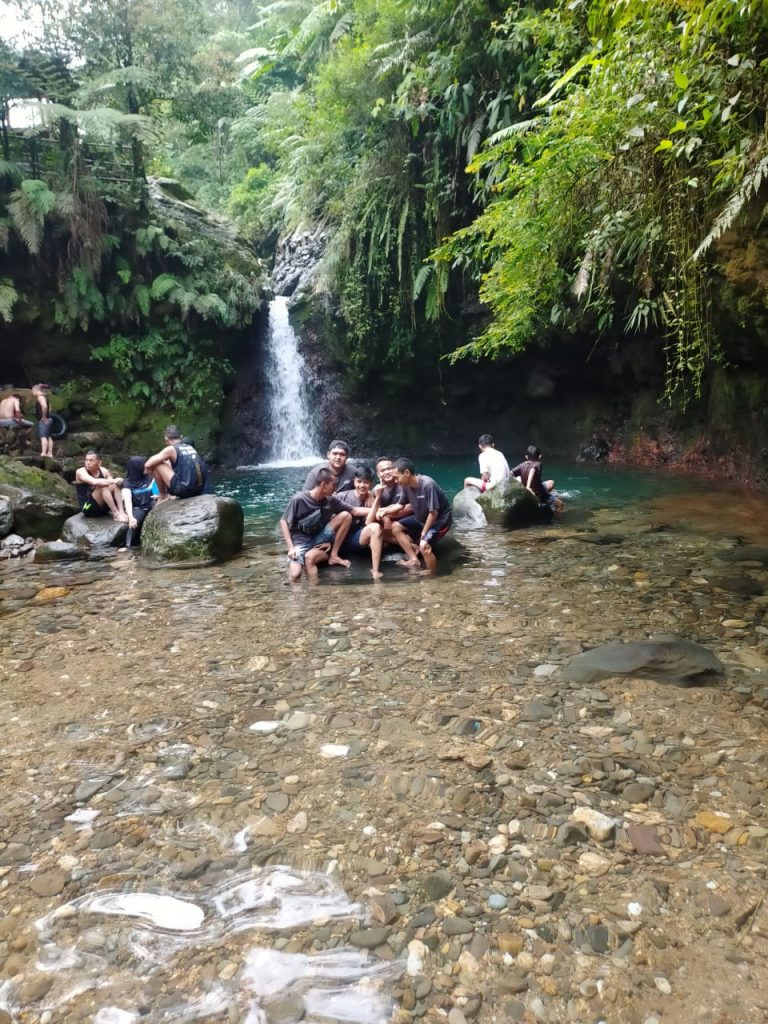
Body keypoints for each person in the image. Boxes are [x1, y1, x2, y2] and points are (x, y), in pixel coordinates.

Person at [280, 467, 357, 581]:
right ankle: (300, 596)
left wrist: (383, 509)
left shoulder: (331, 500)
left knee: (346, 515)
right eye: (333, 485)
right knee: (295, 575)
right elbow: (283, 521)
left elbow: (354, 510)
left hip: (320, 538)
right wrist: (291, 548)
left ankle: (334, 555)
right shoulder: (299, 499)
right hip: (300, 543)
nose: (335, 489)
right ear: (323, 484)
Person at [392, 457, 452, 572]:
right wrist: (383, 512)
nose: (395, 481)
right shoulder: (406, 486)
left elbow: (434, 513)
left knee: (424, 545)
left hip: (439, 521)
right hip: (422, 519)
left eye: (396, 477)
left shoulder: (427, 484)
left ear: (406, 473)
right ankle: (414, 559)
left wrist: (423, 533)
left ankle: (431, 576)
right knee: (395, 527)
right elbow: (400, 505)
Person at [336, 465, 385, 579]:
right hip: (339, 541)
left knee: (375, 527)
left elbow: (369, 523)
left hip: (356, 539)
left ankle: (375, 571)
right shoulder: (342, 496)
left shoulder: (372, 498)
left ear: (371, 484)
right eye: (359, 482)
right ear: (354, 481)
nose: (362, 485)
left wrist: (376, 499)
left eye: (366, 482)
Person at [373, 456, 420, 567]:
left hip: (410, 525)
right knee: (374, 527)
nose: (387, 472)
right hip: (392, 526)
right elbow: (375, 511)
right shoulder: (377, 490)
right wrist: (385, 518)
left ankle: (411, 546)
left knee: (394, 525)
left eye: (389, 468)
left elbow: (411, 507)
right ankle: (410, 546)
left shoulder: (403, 482)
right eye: (383, 470)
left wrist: (388, 515)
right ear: (378, 474)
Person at [145, 426, 207, 500]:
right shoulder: (190, 447)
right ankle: (168, 493)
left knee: (157, 464)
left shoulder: (172, 449)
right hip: (199, 490)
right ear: (181, 437)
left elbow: (148, 464)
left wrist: (148, 471)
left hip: (185, 491)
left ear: (166, 439)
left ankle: (162, 495)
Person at [75, 451, 127, 521]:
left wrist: (118, 481)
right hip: (88, 508)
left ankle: (121, 512)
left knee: (115, 485)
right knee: (103, 486)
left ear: (99, 462)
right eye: (86, 460)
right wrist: (114, 480)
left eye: (91, 460)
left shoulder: (104, 471)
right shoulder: (80, 472)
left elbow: (113, 485)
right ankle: (116, 514)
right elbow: (94, 482)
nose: (88, 463)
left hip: (104, 508)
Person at [121, 456, 159, 546]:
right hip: (138, 508)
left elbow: (158, 490)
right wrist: (131, 518)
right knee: (133, 524)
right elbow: (128, 501)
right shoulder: (127, 483)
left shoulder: (151, 477)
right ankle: (128, 547)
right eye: (144, 465)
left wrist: (158, 496)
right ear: (137, 468)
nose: (147, 467)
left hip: (152, 503)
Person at [511, 445, 563, 511]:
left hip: (535, 488)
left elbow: (510, 473)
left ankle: (552, 496)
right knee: (560, 504)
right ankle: (557, 520)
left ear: (526, 457)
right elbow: (532, 470)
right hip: (539, 493)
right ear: (539, 456)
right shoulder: (538, 464)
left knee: (551, 482)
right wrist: (528, 487)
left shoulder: (521, 465)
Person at [32, 384, 53, 457]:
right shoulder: (46, 397)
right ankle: (50, 453)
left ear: (36, 391)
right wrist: (48, 415)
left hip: (44, 420)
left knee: (43, 436)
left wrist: (44, 417)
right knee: (49, 436)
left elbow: (44, 406)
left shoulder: (40, 397)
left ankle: (43, 452)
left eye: (33, 391)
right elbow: (50, 408)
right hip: (49, 418)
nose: (32, 393)